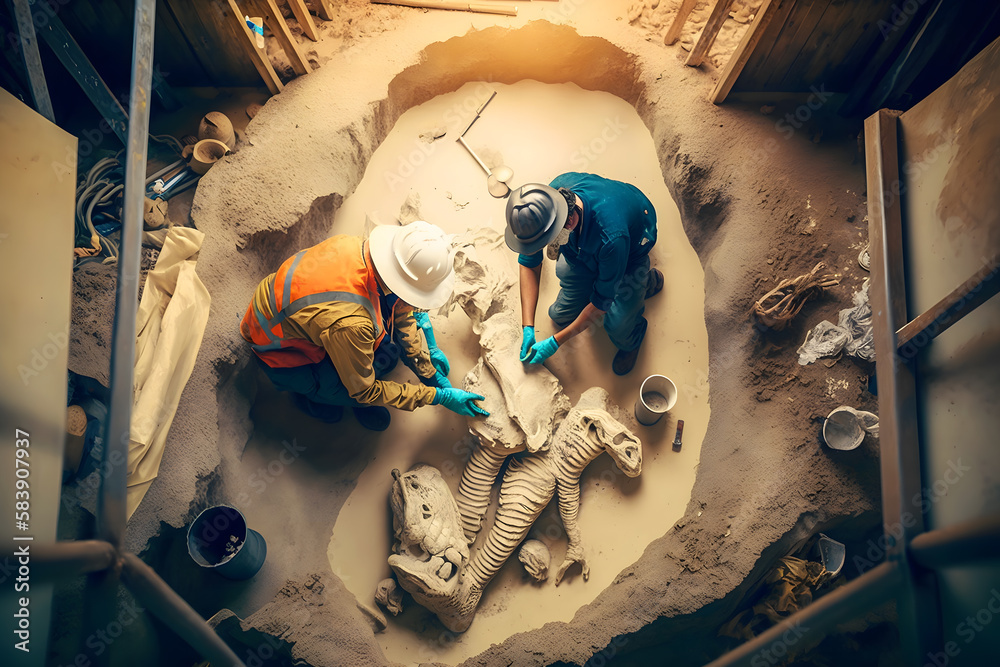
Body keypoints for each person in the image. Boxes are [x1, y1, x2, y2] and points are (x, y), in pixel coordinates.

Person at [240, 221, 488, 431]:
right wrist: (439, 396)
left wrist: (429, 372)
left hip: (297, 315)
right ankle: (312, 398)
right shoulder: (354, 325)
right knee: (351, 391)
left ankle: (335, 390)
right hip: (280, 350)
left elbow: (401, 310)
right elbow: (364, 390)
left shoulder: (362, 250)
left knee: (386, 356)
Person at [503, 173, 663, 376]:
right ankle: (605, 279)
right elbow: (528, 262)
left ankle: (644, 284)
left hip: (630, 245)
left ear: (567, 224)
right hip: (589, 245)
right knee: (558, 315)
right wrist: (528, 326)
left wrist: (555, 342)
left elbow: (600, 303)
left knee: (617, 325)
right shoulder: (549, 203)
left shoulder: (612, 238)